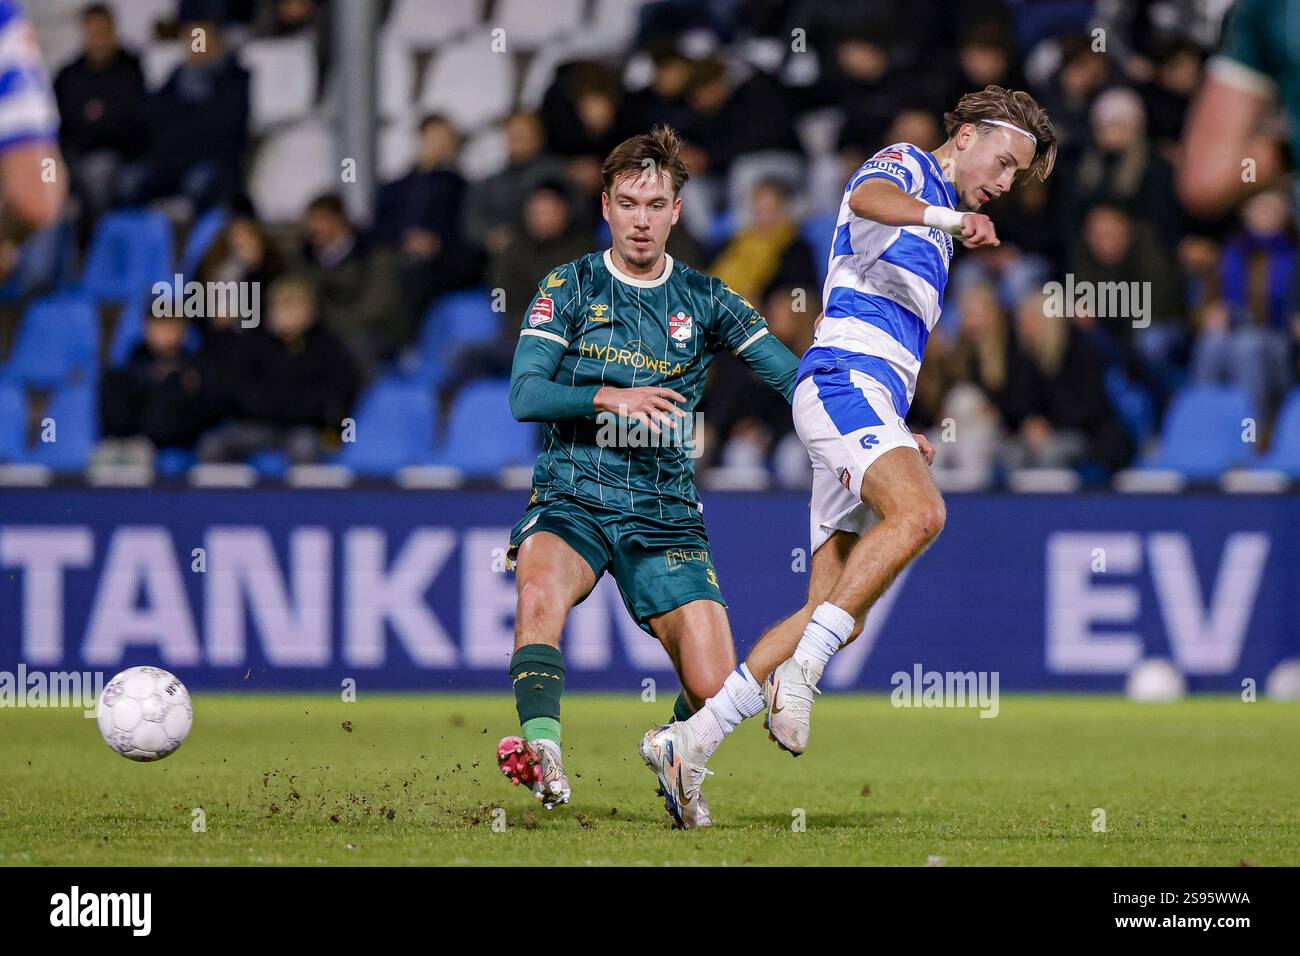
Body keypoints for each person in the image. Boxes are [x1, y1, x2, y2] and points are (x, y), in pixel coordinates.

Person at [647, 87, 1057, 805]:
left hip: (871, 396)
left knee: (838, 607)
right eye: (1004, 162)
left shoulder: (937, 224)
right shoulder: (908, 167)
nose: (1004, 183)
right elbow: (864, 196)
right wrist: (947, 216)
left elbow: (889, 334)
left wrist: (900, 430)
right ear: (964, 136)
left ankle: (692, 741)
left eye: (1016, 176)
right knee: (923, 515)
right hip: (841, 382)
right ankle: (801, 673)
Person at [495, 126, 800, 828]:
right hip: (575, 490)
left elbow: (790, 374)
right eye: (628, 203)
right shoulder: (567, 286)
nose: (640, 218)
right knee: (538, 587)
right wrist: (607, 395)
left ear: (676, 211)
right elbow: (524, 395)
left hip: (664, 510)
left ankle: (676, 749)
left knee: (716, 685)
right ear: (606, 206)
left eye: (654, 203)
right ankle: (544, 748)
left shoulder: (707, 299)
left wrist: (881, 427)